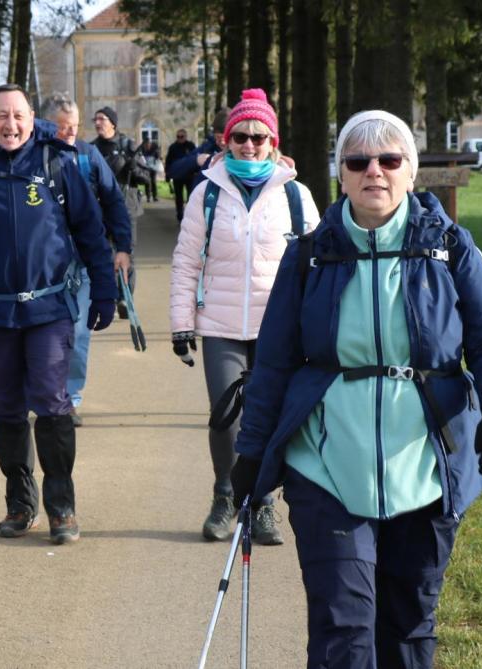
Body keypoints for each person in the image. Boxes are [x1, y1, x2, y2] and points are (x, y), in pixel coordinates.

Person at [229, 110, 482, 668]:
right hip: (327, 465)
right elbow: (273, 363)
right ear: (340, 174)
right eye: (358, 162)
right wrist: (251, 454)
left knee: (408, 628)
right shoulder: (309, 255)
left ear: (411, 171)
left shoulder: (450, 249)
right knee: (342, 630)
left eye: (390, 160)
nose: (375, 173)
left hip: (427, 467)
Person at [0, 84, 117, 545]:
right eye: (1, 116)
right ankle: (20, 502)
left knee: (52, 400)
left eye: (18, 115)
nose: (11, 125)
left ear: (31, 118)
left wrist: (105, 290)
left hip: (49, 308)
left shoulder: (56, 162)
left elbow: (89, 231)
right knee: (3, 408)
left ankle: (61, 505)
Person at [169, 88, 320, 544]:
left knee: (269, 415)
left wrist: (318, 328)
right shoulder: (207, 194)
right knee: (226, 416)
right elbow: (186, 260)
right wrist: (180, 323)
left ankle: (264, 503)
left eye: (258, 136)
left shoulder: (295, 195)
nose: (249, 144)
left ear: (272, 141)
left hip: (278, 331)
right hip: (220, 325)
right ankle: (225, 496)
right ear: (227, 139)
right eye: (240, 136)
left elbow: (319, 267)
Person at [42, 93, 134, 427]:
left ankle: (70, 398)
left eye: (74, 127)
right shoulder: (28, 158)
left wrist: (122, 247)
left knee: (79, 334)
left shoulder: (88, 155)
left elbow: (114, 203)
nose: (69, 134)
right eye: (61, 128)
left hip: (82, 262)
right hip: (41, 268)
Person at [166, 106, 228, 193]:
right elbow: (174, 170)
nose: (222, 142)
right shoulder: (207, 148)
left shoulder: (243, 152)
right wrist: (196, 160)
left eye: (226, 137)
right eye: (218, 137)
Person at [91, 106, 143, 211]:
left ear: (113, 124)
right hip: (101, 209)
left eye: (101, 119)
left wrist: (134, 169)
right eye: (95, 120)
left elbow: (146, 178)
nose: (97, 123)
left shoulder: (129, 146)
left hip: (127, 208)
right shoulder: (91, 149)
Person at [165, 128, 197, 219]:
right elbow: (168, 161)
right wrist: (167, 175)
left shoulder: (191, 146)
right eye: (178, 136)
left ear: (185, 136)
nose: (179, 138)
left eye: (181, 136)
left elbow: (195, 159)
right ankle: (180, 215)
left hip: (189, 175)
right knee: (178, 198)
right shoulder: (173, 147)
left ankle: (190, 215)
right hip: (177, 176)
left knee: (191, 196)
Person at [138, 137, 161, 202]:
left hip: (153, 167)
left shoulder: (155, 148)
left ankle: (155, 196)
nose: (148, 145)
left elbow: (158, 157)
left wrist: (158, 156)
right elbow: (140, 156)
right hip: (145, 167)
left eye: (149, 144)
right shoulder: (141, 148)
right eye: (146, 144)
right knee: (147, 182)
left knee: (153, 181)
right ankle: (148, 197)